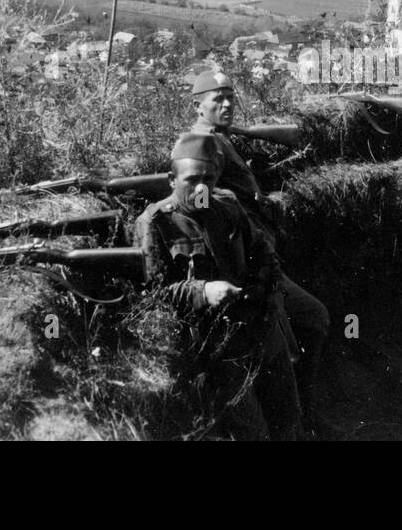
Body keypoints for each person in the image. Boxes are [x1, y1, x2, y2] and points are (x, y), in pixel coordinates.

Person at [185, 69, 332, 436]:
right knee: (309, 322)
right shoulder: (204, 145)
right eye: (217, 99)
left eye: (231, 97)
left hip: (261, 257)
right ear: (196, 105)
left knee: (306, 327)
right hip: (251, 265)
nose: (227, 104)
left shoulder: (219, 137)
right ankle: (302, 419)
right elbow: (198, 198)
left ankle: (302, 414)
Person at [135, 132, 301, 440]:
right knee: (252, 430)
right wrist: (203, 291)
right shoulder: (155, 223)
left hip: (260, 327)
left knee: (288, 415)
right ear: (172, 180)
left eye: (209, 178)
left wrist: (272, 292)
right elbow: (153, 293)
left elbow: (264, 252)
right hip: (217, 346)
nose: (201, 188)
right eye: (191, 179)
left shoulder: (227, 205)